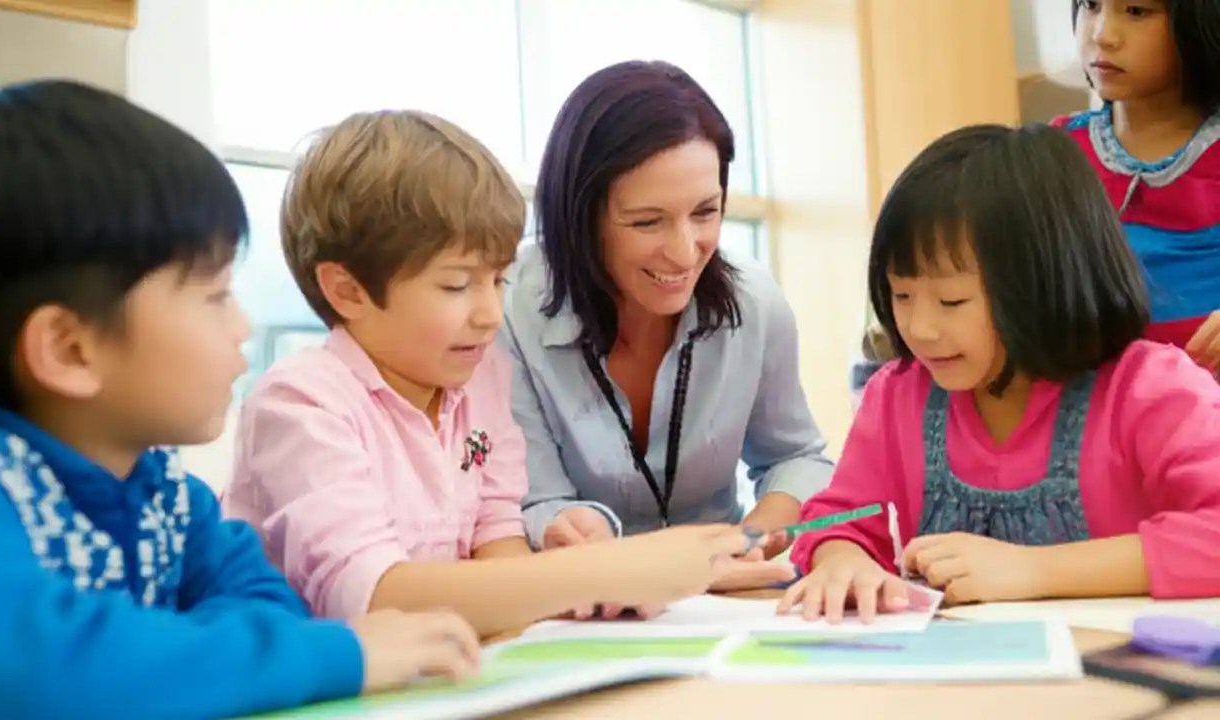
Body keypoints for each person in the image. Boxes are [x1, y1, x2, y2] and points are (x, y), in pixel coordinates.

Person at [0, 81, 481, 719]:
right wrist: (338, 655)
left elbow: (269, 606)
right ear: (70, 350)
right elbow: (36, 674)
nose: (242, 327)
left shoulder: (168, 496)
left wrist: (165, 662)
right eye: (215, 295)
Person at [224, 110, 763, 639]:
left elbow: (496, 538)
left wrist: (583, 588)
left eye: (499, 280)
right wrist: (601, 573)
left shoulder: (477, 383)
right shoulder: (301, 404)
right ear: (347, 290)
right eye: (457, 286)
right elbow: (373, 598)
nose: (488, 313)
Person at [780, 124, 1220, 624]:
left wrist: (1035, 571)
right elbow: (841, 519)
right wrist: (842, 560)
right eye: (901, 295)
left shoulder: (1150, 389)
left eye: (952, 301)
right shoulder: (899, 395)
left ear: (1046, 283)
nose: (920, 328)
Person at [501, 61, 833, 591]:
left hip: (727, 599)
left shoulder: (754, 302)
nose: (684, 252)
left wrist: (755, 536)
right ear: (578, 216)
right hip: (586, 598)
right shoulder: (507, 307)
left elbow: (795, 457)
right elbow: (534, 501)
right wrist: (593, 545)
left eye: (705, 212)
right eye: (646, 222)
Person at [1054, 0, 1220, 362]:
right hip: (1091, 401)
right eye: (1090, 6)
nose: (1102, 35)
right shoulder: (1054, 154)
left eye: (1136, 11)